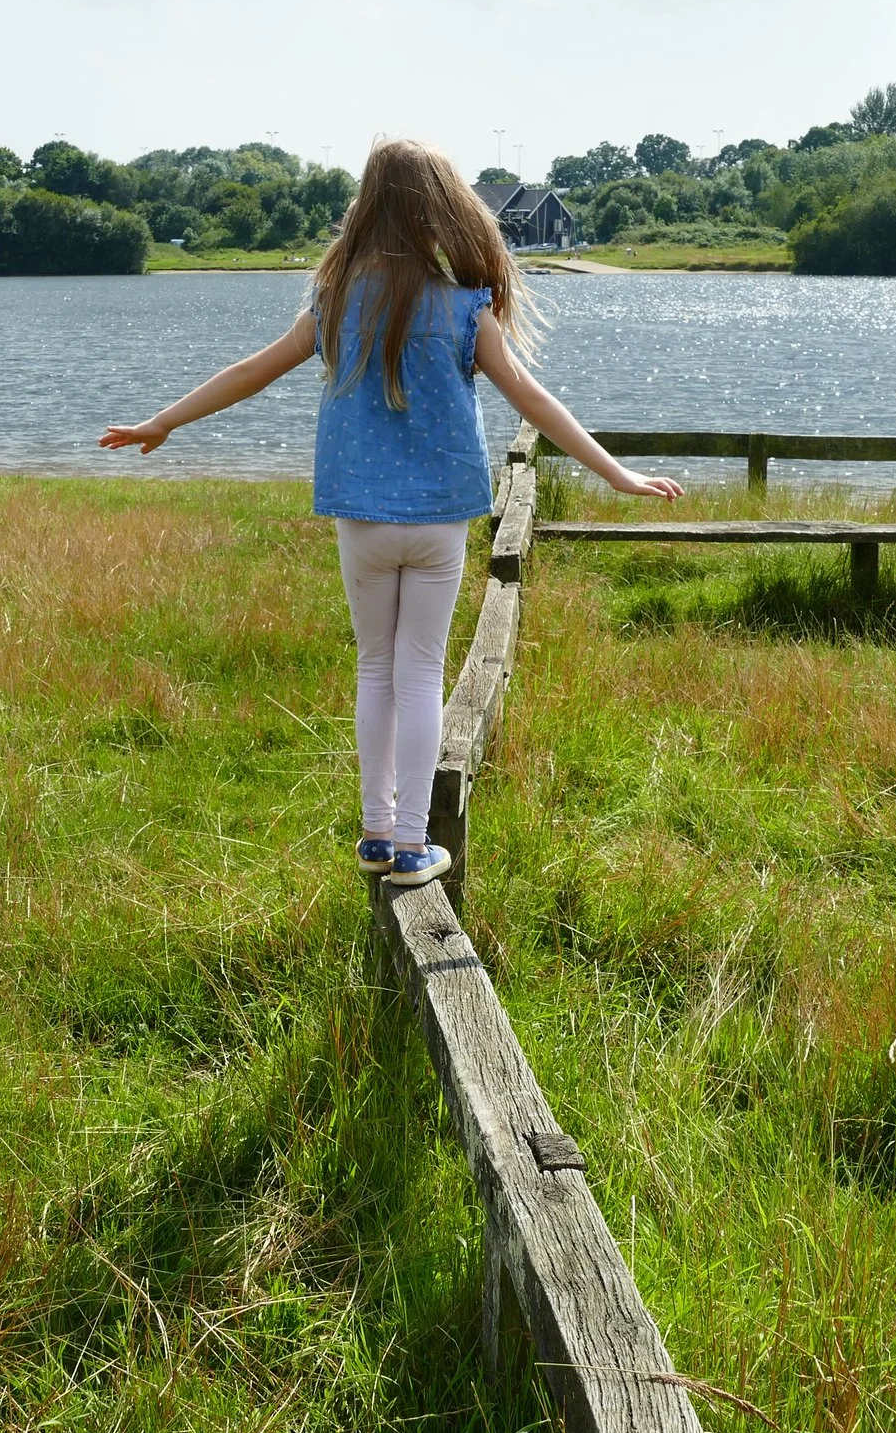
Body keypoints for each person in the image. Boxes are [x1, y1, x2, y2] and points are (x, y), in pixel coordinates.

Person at [100, 139, 680, 888]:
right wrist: (617, 472)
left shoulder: (335, 301)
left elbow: (250, 372)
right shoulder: (468, 306)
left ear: (367, 206)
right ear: (439, 208)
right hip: (439, 517)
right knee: (420, 670)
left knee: (376, 666)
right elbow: (533, 399)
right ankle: (412, 844)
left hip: (362, 518)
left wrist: (164, 421)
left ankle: (377, 833)